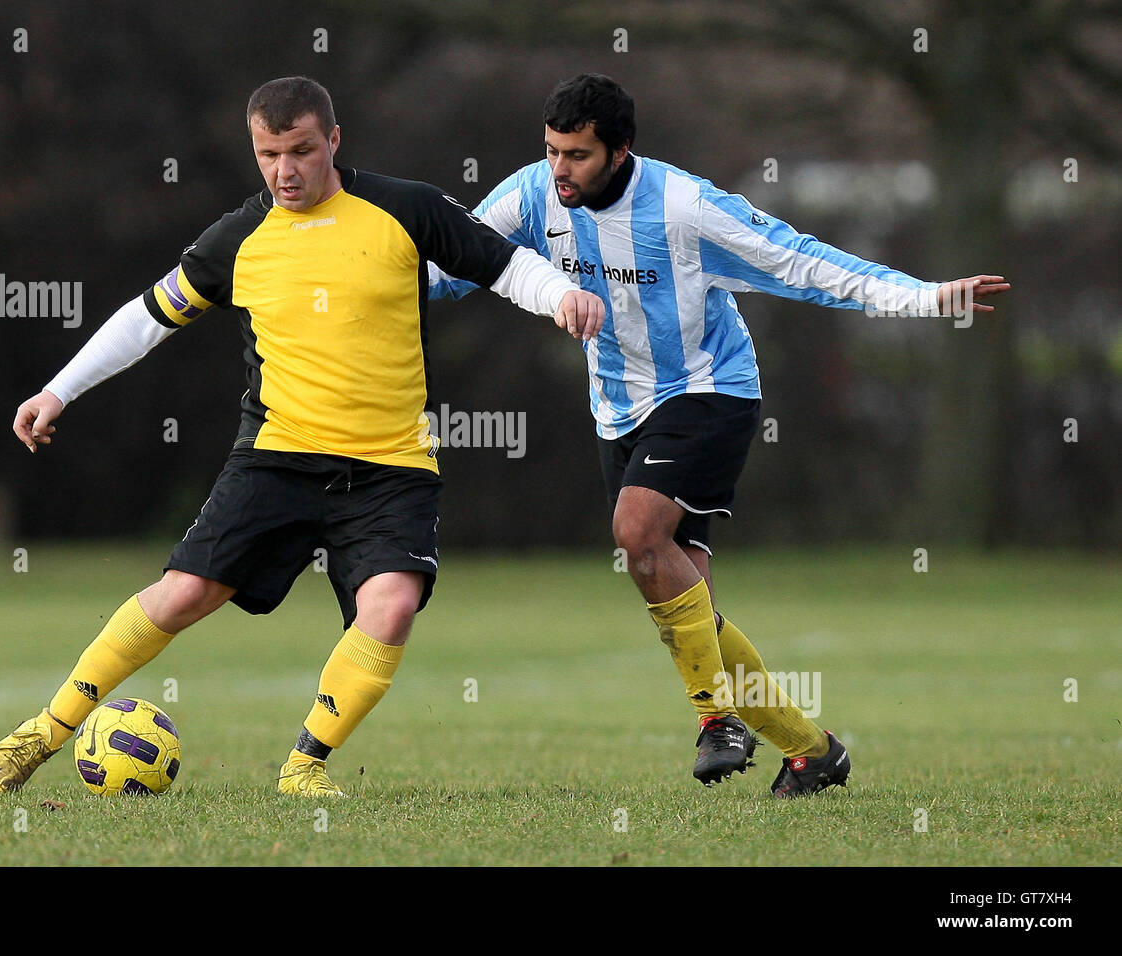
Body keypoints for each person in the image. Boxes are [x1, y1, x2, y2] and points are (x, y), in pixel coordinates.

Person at [0, 76, 604, 798]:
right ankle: (46, 731)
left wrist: (561, 295)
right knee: (182, 594)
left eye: (302, 150)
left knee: (393, 604)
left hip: (389, 465)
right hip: (276, 456)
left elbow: (501, 263)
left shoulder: (405, 207)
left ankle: (304, 765)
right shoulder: (240, 237)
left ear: (333, 142)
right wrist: (59, 390)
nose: (286, 170)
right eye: (269, 153)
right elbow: (148, 316)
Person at [430, 73, 1009, 795]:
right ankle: (811, 750)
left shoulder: (686, 206)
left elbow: (802, 264)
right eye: (551, 152)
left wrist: (927, 297)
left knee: (638, 533)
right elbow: (457, 266)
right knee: (683, 602)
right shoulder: (530, 194)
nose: (560, 171)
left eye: (577, 155)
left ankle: (716, 721)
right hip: (618, 408)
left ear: (621, 150)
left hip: (709, 392)